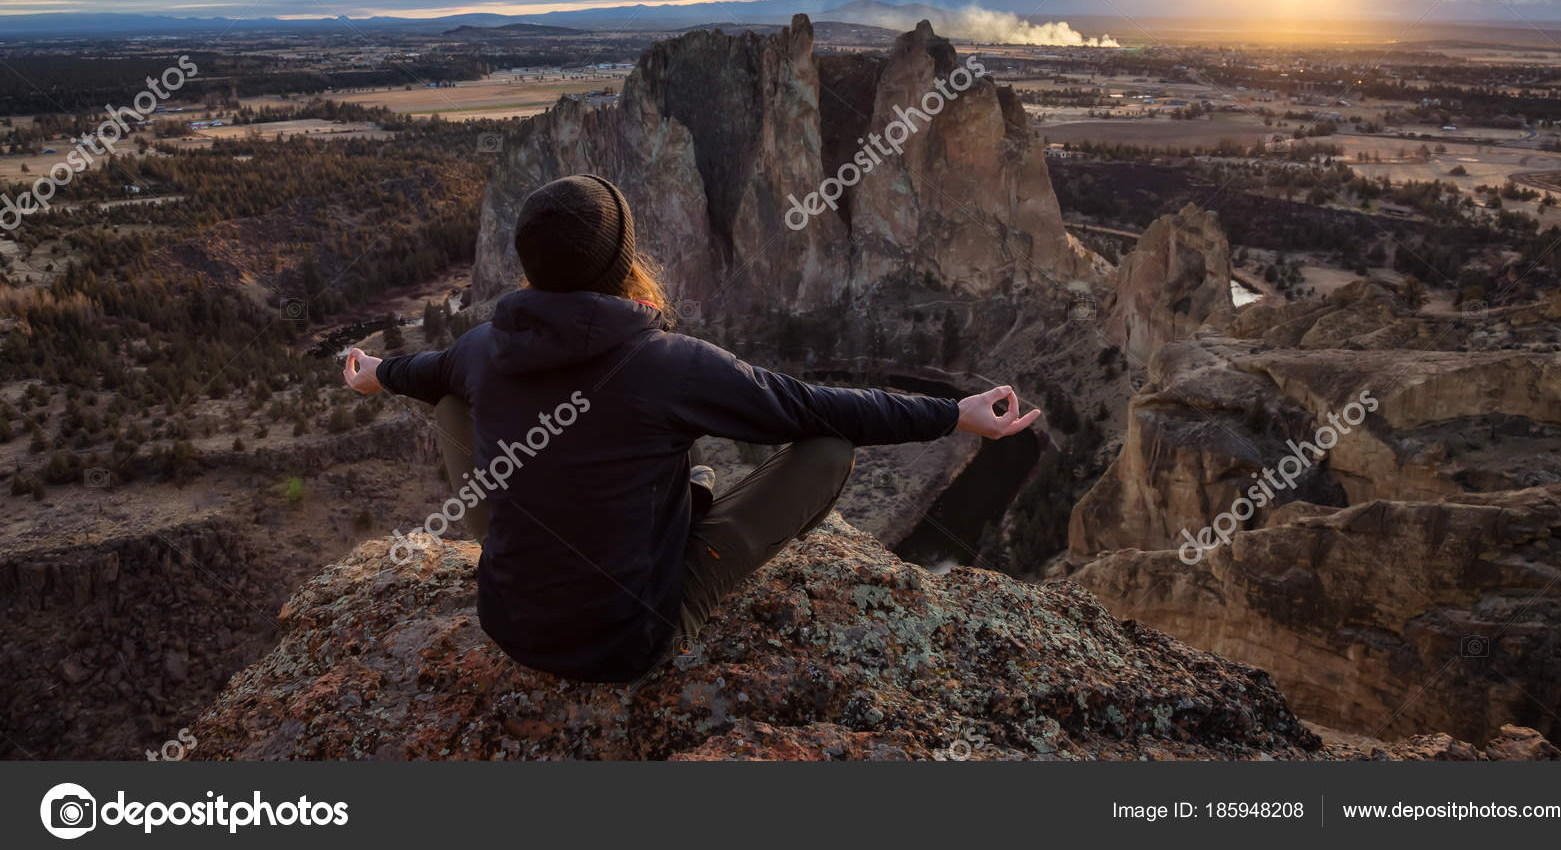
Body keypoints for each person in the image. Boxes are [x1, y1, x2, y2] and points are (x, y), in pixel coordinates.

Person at [343, 173, 1039, 684]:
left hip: (510, 621)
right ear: (621, 264)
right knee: (828, 448)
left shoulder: (481, 348)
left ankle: (531, 545)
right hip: (627, 642)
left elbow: (424, 372)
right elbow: (813, 407)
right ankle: (686, 512)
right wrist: (952, 413)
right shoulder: (663, 361)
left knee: (450, 405)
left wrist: (373, 370)